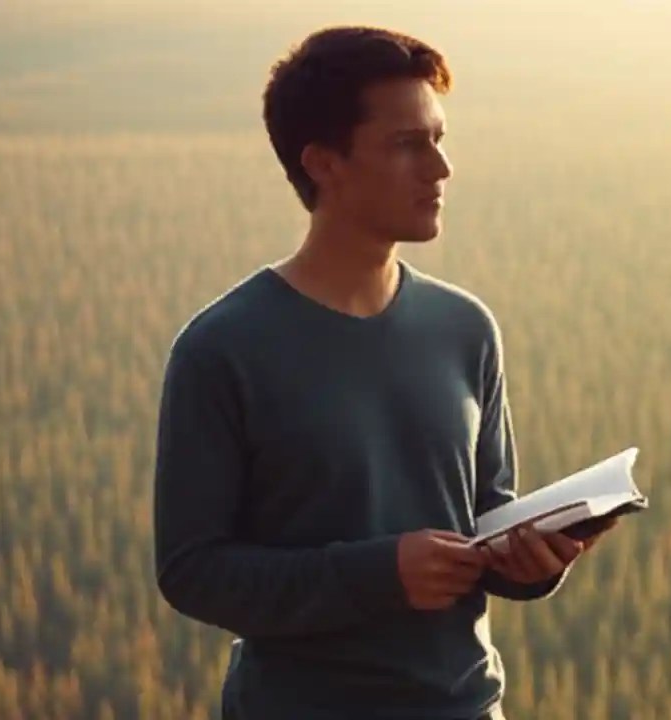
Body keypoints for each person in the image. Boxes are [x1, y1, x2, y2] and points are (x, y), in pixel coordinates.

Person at [152, 24, 615, 720]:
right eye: (407, 144)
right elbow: (193, 572)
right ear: (323, 163)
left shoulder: (465, 328)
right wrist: (380, 574)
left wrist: (534, 564)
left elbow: (481, 522)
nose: (440, 168)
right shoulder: (222, 349)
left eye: (439, 139)